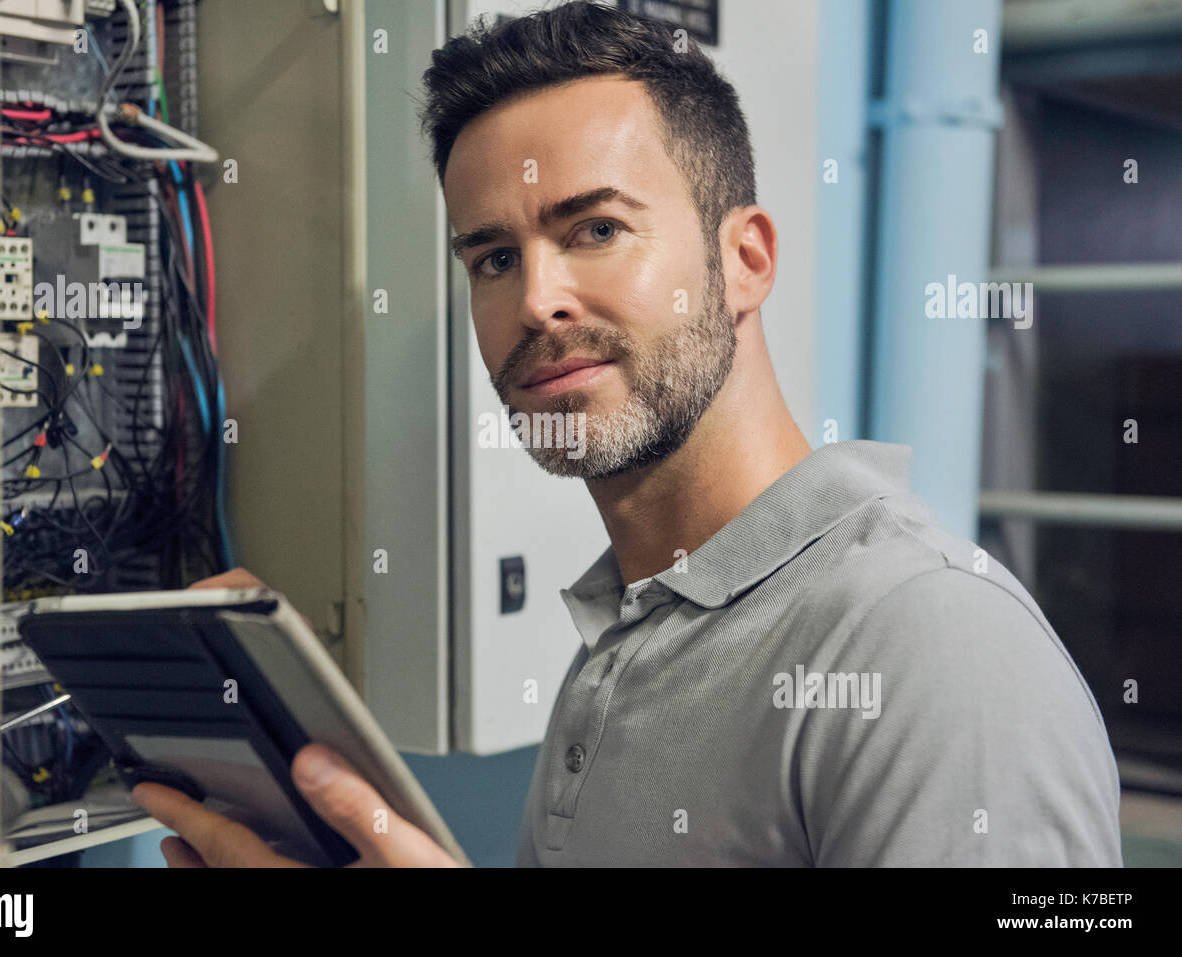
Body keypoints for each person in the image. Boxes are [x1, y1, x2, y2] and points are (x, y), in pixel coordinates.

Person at [133, 0, 1122, 866]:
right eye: (490, 258)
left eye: (594, 230)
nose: (536, 300)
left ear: (744, 260)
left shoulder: (929, 644)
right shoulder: (630, 628)